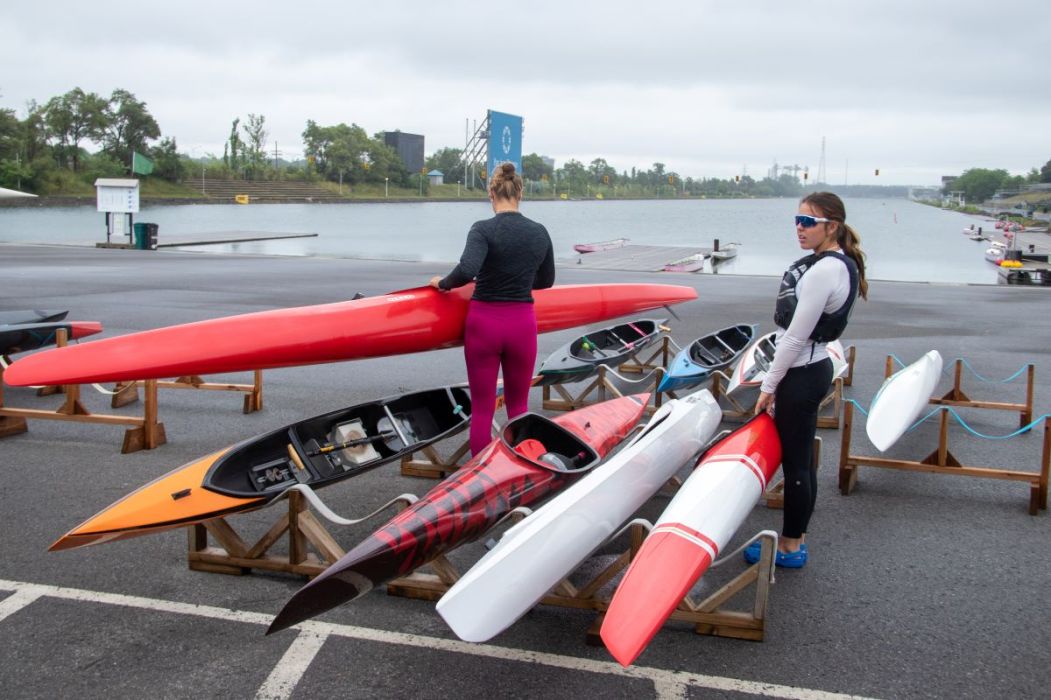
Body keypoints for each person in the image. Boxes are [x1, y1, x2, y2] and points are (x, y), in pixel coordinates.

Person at [745, 191, 868, 569]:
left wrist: (768, 387)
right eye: (796, 220)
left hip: (801, 372)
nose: (799, 228)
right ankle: (797, 536)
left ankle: (790, 546)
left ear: (832, 226)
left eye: (808, 222)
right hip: (814, 368)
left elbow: (796, 338)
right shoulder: (841, 262)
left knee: (797, 464)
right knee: (802, 462)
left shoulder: (825, 270)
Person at [430, 163, 555, 456]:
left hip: (484, 323)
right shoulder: (539, 232)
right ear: (520, 193)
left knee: (483, 408)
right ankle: (522, 470)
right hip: (521, 325)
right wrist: (519, 279)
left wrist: (443, 283)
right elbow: (546, 280)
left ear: (491, 193)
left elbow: (467, 270)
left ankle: (480, 482)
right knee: (519, 406)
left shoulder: (482, 229)